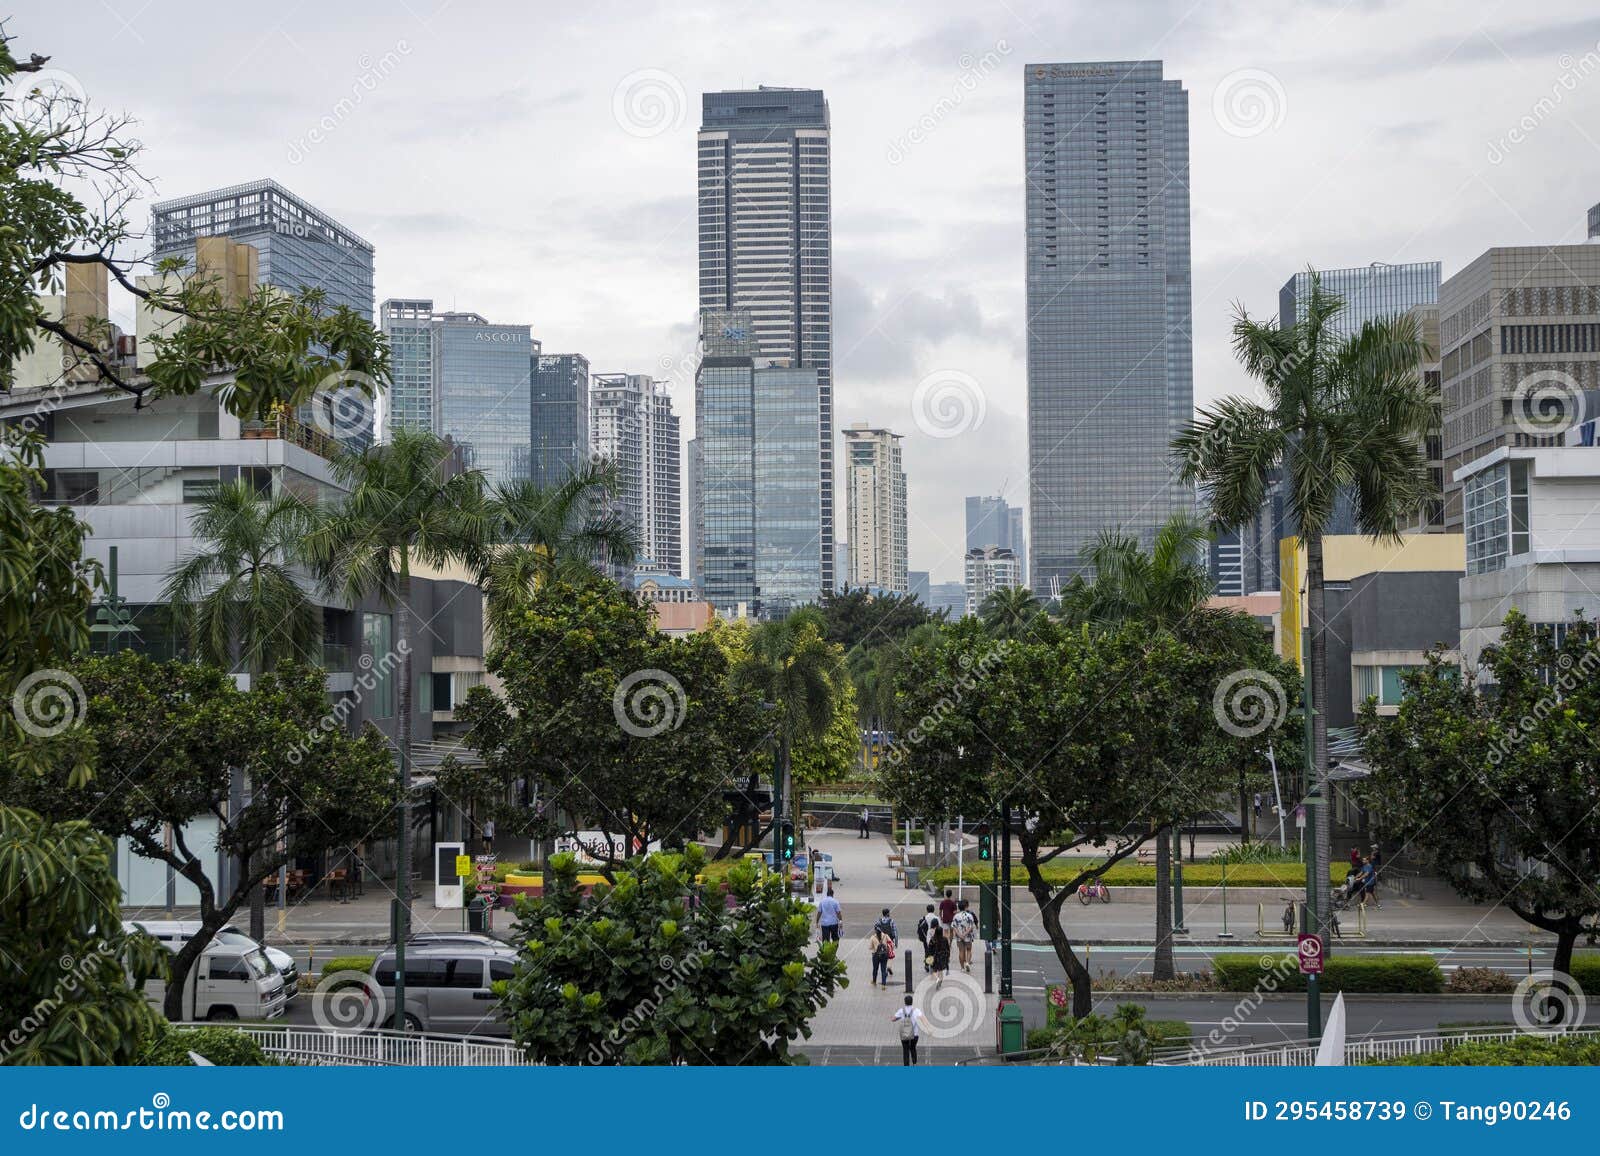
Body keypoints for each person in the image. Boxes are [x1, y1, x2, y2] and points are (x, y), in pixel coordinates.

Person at [891, 993, 925, 1065]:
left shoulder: (901, 1011)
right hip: (914, 1034)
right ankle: (914, 1063)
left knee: (905, 1050)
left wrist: (899, 1017)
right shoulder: (916, 1010)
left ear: (905, 1002)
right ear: (912, 1002)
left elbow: (893, 1019)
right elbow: (922, 1018)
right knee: (913, 1048)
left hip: (904, 1035)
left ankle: (906, 1065)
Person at [951, 898, 978, 973]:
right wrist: (965, 934)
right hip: (968, 936)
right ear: (966, 906)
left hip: (959, 937)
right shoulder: (969, 915)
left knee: (961, 951)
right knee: (968, 950)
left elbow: (954, 926)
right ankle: (967, 963)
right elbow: (971, 926)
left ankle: (962, 967)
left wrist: (960, 935)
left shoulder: (956, 916)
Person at [873, 908, 899, 978]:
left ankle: (884, 969)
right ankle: (889, 967)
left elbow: (875, 928)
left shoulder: (879, 921)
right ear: (888, 914)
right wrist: (896, 942)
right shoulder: (891, 921)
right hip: (889, 940)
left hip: (881, 941)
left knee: (883, 954)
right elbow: (895, 932)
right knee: (890, 954)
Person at [915, 904, 938, 971]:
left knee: (927, 951)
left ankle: (927, 964)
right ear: (933, 910)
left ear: (927, 910)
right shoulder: (936, 918)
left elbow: (919, 929)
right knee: (934, 951)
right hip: (935, 938)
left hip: (925, 938)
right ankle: (932, 964)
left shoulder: (923, 918)